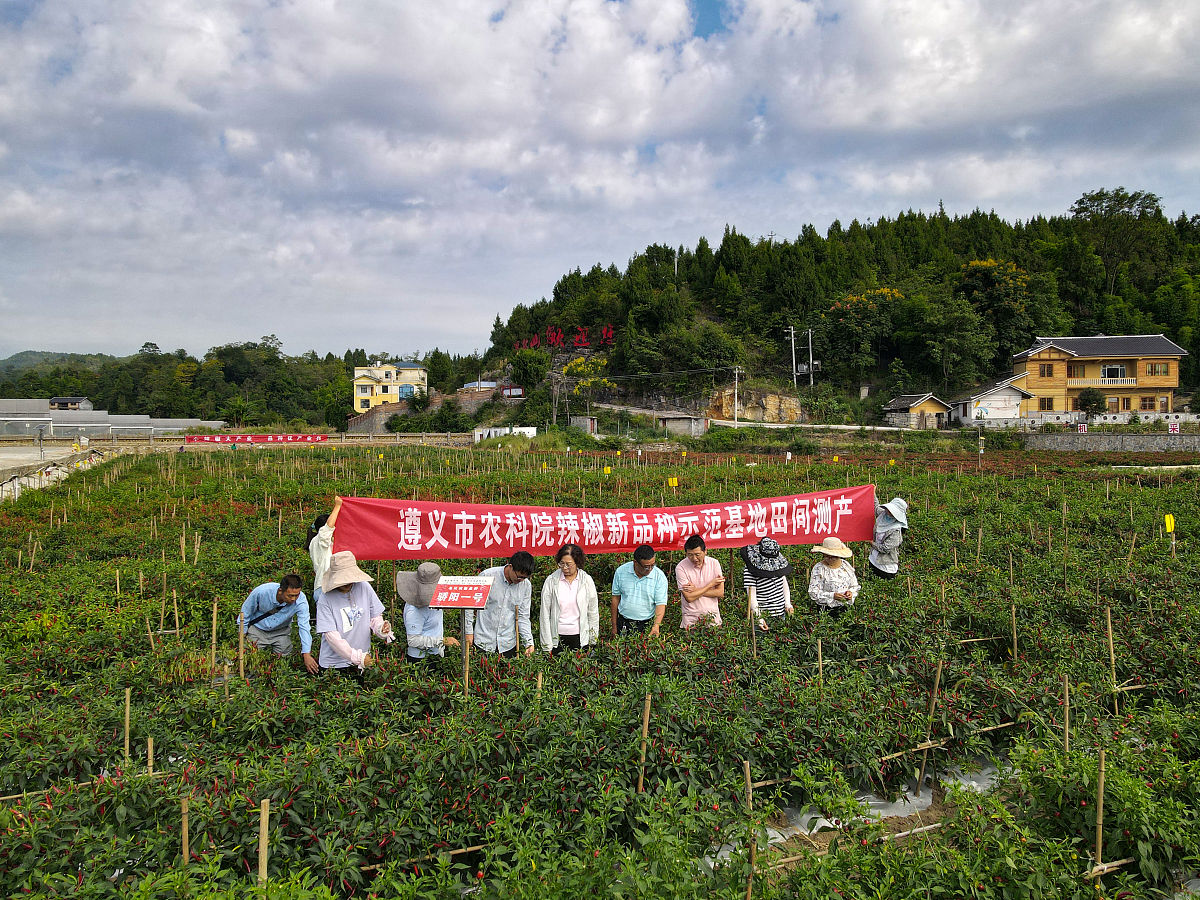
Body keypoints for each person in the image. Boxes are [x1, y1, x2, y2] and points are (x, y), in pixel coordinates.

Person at [315, 550, 396, 678]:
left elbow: (375, 616)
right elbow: (331, 636)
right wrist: (357, 656)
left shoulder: (364, 587)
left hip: (363, 661)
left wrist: (380, 628)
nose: (347, 583)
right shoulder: (325, 598)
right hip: (334, 664)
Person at [240, 573, 319, 674]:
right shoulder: (262, 592)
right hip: (258, 629)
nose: (294, 599)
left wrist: (306, 653)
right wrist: (242, 634)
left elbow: (304, 626)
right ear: (280, 591)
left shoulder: (301, 601)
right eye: (290, 595)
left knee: (283, 665)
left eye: (296, 595)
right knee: (251, 661)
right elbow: (245, 613)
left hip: (281, 632)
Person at [465, 551, 535, 657]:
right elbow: (470, 605)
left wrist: (528, 642)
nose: (521, 580)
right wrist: (468, 632)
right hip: (483, 640)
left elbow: (523, 616)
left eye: (524, 578)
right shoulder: (487, 576)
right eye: (519, 576)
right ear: (510, 567)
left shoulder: (526, 586)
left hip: (508, 644)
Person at [539, 544, 600, 653]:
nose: (565, 567)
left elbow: (593, 612)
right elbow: (545, 613)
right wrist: (546, 645)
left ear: (577, 563)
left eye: (569, 564)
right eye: (562, 563)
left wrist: (593, 640)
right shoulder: (551, 581)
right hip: (557, 638)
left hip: (580, 637)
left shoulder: (586, 581)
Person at [396, 561, 460, 664]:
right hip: (420, 660)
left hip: (434, 654)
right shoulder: (414, 610)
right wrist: (442, 641)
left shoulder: (434, 600)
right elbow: (413, 640)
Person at [611, 544, 668, 637]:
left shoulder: (659, 576)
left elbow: (660, 604)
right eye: (646, 567)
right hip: (624, 622)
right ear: (635, 563)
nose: (650, 569)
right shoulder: (621, 572)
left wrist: (656, 626)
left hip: (647, 624)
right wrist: (614, 626)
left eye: (652, 565)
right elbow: (615, 598)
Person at [740, 537, 794, 631]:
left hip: (781, 612)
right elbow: (751, 596)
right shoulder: (750, 569)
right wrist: (759, 618)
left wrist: (788, 604)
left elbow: (784, 583)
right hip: (764, 615)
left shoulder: (778, 564)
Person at [675, 535, 724, 629]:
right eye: (690, 555)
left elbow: (720, 593)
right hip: (691, 619)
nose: (694, 558)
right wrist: (710, 585)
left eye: (697, 554)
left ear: (705, 551)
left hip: (713, 617)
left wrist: (695, 590)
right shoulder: (681, 567)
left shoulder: (714, 563)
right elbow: (689, 597)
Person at [808, 536, 860, 619]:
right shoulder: (819, 568)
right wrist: (832, 596)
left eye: (833, 557)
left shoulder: (845, 566)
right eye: (826, 556)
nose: (829, 559)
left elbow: (854, 585)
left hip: (846, 608)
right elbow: (813, 592)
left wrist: (850, 593)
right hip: (827, 610)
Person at [307, 495, 343, 595]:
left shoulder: (318, 542)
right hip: (326, 588)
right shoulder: (321, 538)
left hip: (325, 587)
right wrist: (337, 506)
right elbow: (327, 529)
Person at [868, 498, 908, 579]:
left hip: (885, 567)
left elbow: (885, 548)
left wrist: (872, 543)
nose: (888, 512)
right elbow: (876, 507)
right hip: (873, 560)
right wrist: (872, 493)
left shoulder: (896, 530)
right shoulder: (883, 514)